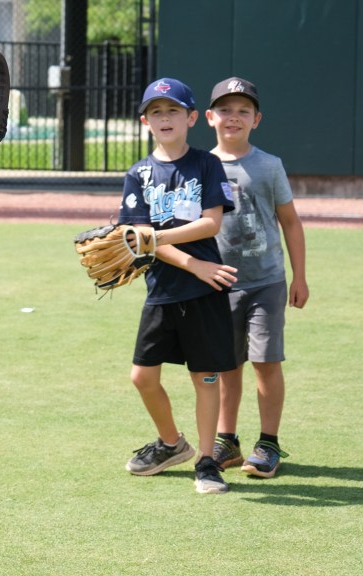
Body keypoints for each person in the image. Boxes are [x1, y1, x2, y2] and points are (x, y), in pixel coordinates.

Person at [118, 78, 239, 494]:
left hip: (204, 291)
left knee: (205, 377)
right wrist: (192, 263)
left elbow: (211, 222)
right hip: (164, 289)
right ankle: (172, 443)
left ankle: (206, 461)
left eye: (173, 110)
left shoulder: (206, 164)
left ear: (191, 118)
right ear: (145, 121)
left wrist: (155, 236)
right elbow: (137, 238)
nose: (164, 117)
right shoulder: (138, 174)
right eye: (156, 111)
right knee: (142, 376)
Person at [205, 77, 309, 479]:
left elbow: (291, 222)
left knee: (266, 362)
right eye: (225, 110)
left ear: (257, 119)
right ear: (210, 117)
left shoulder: (269, 165)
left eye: (243, 111)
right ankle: (226, 441)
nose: (234, 117)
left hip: (266, 281)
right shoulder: (200, 166)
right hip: (218, 283)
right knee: (226, 366)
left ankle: (268, 442)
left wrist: (299, 277)